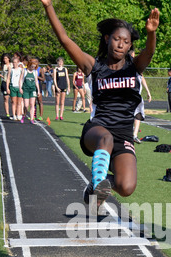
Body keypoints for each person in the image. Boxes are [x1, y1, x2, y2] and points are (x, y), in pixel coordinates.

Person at [40, 0, 159, 210]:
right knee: (106, 138)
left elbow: (149, 53)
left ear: (130, 45)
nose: (120, 44)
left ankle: (101, 186)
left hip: (123, 135)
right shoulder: (94, 66)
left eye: (126, 41)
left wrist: (151, 33)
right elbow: (65, 40)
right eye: (116, 39)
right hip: (97, 130)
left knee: (127, 186)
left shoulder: (135, 67)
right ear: (107, 39)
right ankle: (98, 185)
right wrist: (49, 6)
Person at [19, 57, 40, 124]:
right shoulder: (24, 71)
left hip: (32, 89)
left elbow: (36, 81)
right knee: (26, 105)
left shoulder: (35, 72)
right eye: (32, 66)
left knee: (32, 104)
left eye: (34, 67)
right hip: (25, 89)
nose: (33, 68)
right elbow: (21, 80)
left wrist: (38, 90)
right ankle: (24, 115)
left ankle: (31, 119)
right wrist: (20, 88)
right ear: (29, 65)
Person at [133, 74, 152, 143]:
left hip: (135, 96)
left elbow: (142, 78)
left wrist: (148, 91)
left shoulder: (137, 70)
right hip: (131, 96)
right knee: (136, 114)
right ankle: (133, 135)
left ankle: (134, 135)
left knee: (138, 114)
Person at [6, 56, 23, 120]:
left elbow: (22, 79)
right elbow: (8, 79)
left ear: (18, 63)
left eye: (15, 62)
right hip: (12, 87)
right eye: (13, 62)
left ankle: (18, 114)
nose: (14, 64)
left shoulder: (21, 70)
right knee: (13, 102)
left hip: (19, 87)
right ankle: (14, 115)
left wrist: (21, 87)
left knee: (19, 102)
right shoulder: (11, 69)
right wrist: (7, 88)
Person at [0, 53, 12, 117]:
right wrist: (1, 76)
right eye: (4, 58)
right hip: (4, 82)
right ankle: (7, 113)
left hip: (12, 82)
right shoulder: (3, 66)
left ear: (8, 58)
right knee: (6, 98)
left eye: (6, 58)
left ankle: (15, 112)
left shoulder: (11, 65)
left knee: (13, 98)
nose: (4, 60)